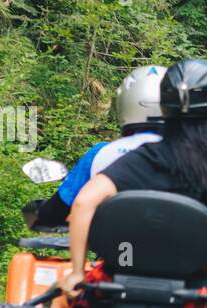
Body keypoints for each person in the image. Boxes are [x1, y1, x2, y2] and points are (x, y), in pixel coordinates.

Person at [56, 59, 207, 299]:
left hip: (126, 289)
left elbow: (83, 203)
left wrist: (77, 272)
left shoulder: (144, 158)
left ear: (163, 105)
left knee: (62, 302)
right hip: (204, 296)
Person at [25, 65, 166, 229]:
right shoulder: (194, 155)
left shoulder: (100, 154)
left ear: (125, 102)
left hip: (118, 252)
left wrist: (40, 212)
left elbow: (59, 210)